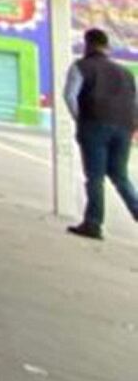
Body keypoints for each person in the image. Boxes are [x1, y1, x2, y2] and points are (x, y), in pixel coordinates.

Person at [63, 29, 138, 242]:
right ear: (106, 47)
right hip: (124, 127)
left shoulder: (80, 66)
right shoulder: (126, 72)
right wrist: (133, 125)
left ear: (88, 44)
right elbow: (135, 102)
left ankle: (93, 223)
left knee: (95, 177)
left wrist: (81, 119)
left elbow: (70, 96)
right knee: (120, 175)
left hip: (94, 125)